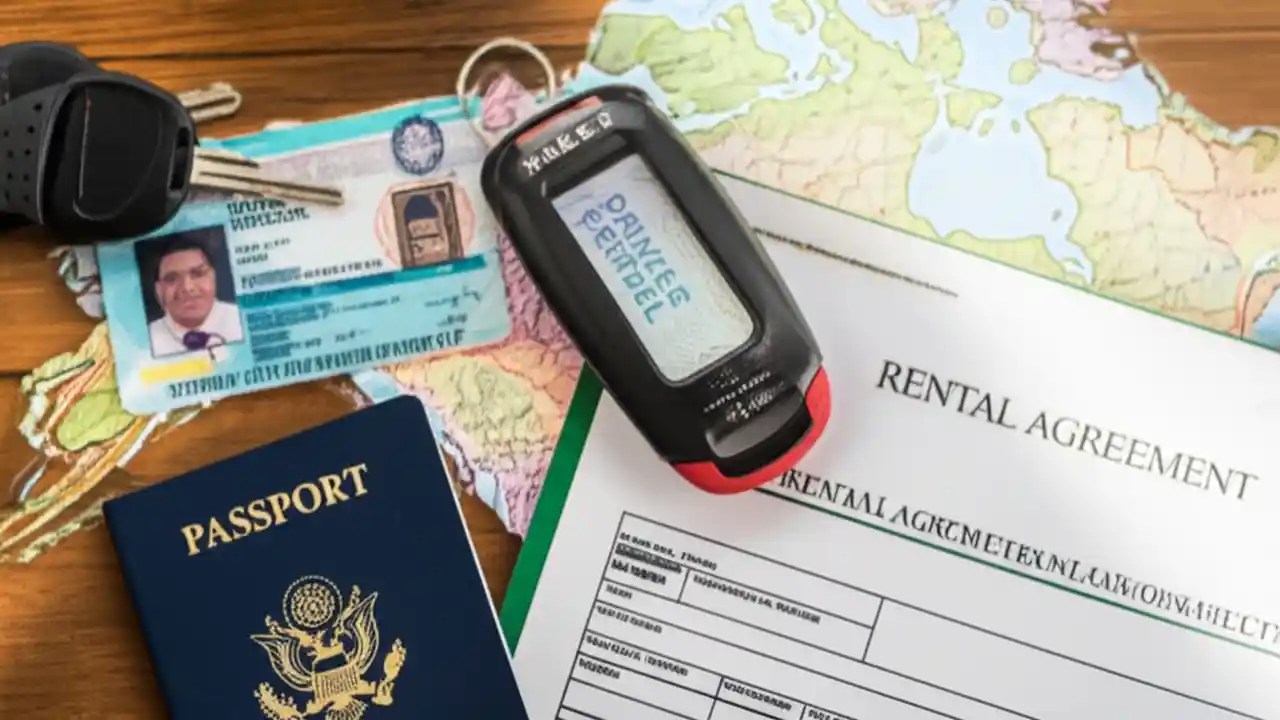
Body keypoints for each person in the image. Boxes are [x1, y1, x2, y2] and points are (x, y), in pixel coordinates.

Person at [147, 236, 243, 357]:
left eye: (198, 274)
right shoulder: (145, 341)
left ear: (214, 277)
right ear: (158, 290)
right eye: (171, 279)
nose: (187, 288)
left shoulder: (241, 320)